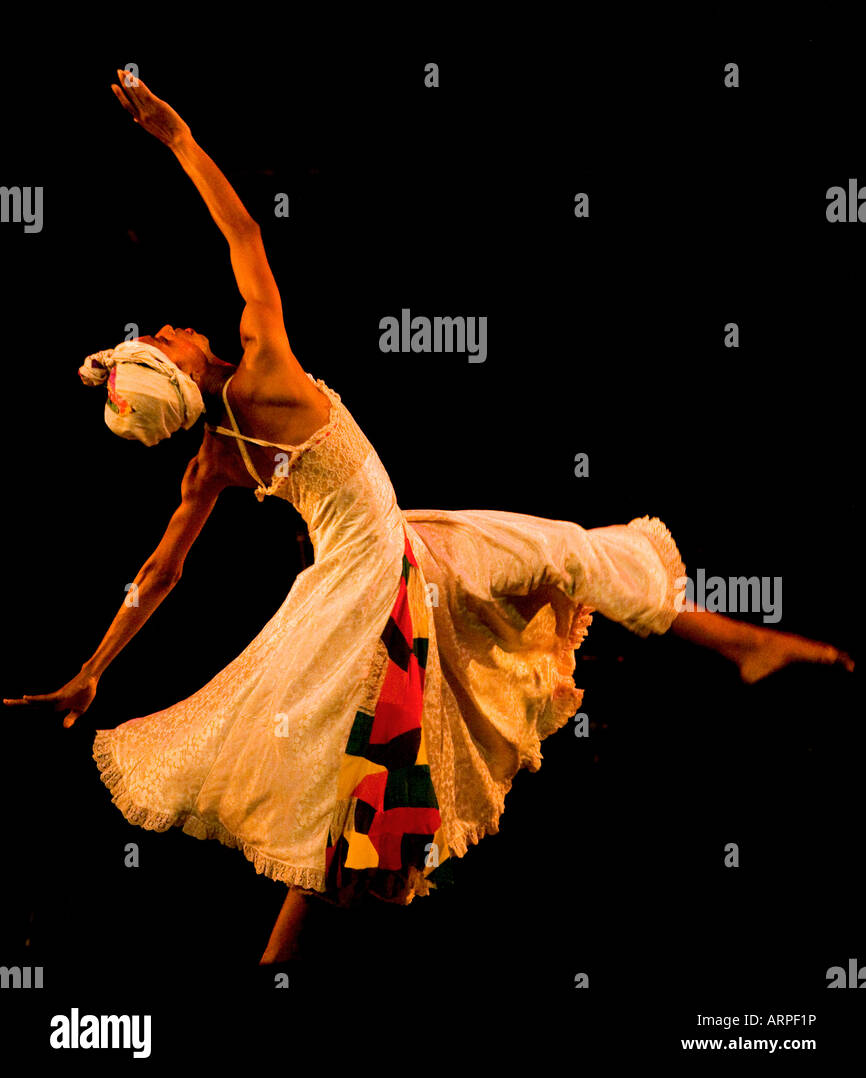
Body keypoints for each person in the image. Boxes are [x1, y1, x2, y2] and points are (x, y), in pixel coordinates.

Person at [3, 72, 855, 967]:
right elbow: (245, 234)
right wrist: (177, 139)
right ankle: (737, 648)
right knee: (393, 740)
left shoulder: (211, 461)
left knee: (369, 761)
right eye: (160, 341)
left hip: (392, 555)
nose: (168, 325)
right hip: (381, 578)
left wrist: (94, 669)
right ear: (176, 374)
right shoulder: (261, 373)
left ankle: (738, 646)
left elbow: (159, 574)